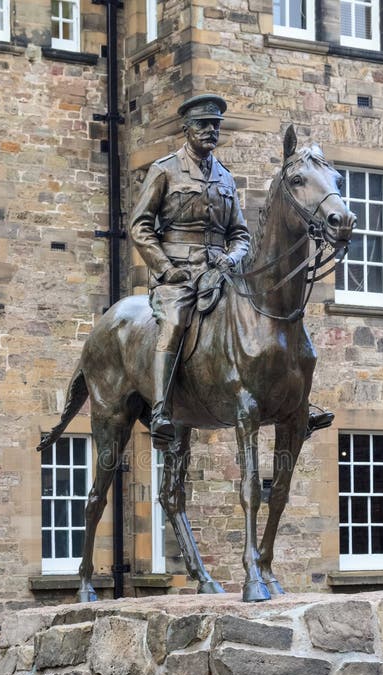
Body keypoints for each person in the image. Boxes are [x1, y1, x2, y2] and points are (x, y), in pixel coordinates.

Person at [130, 94, 250, 448]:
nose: (211, 131)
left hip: (220, 272)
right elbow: (140, 226)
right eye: (203, 124)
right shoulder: (165, 170)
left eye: (216, 125)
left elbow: (240, 234)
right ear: (187, 129)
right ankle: (161, 410)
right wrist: (165, 269)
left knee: (256, 315)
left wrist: (231, 259)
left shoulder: (226, 178)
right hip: (179, 273)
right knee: (175, 322)